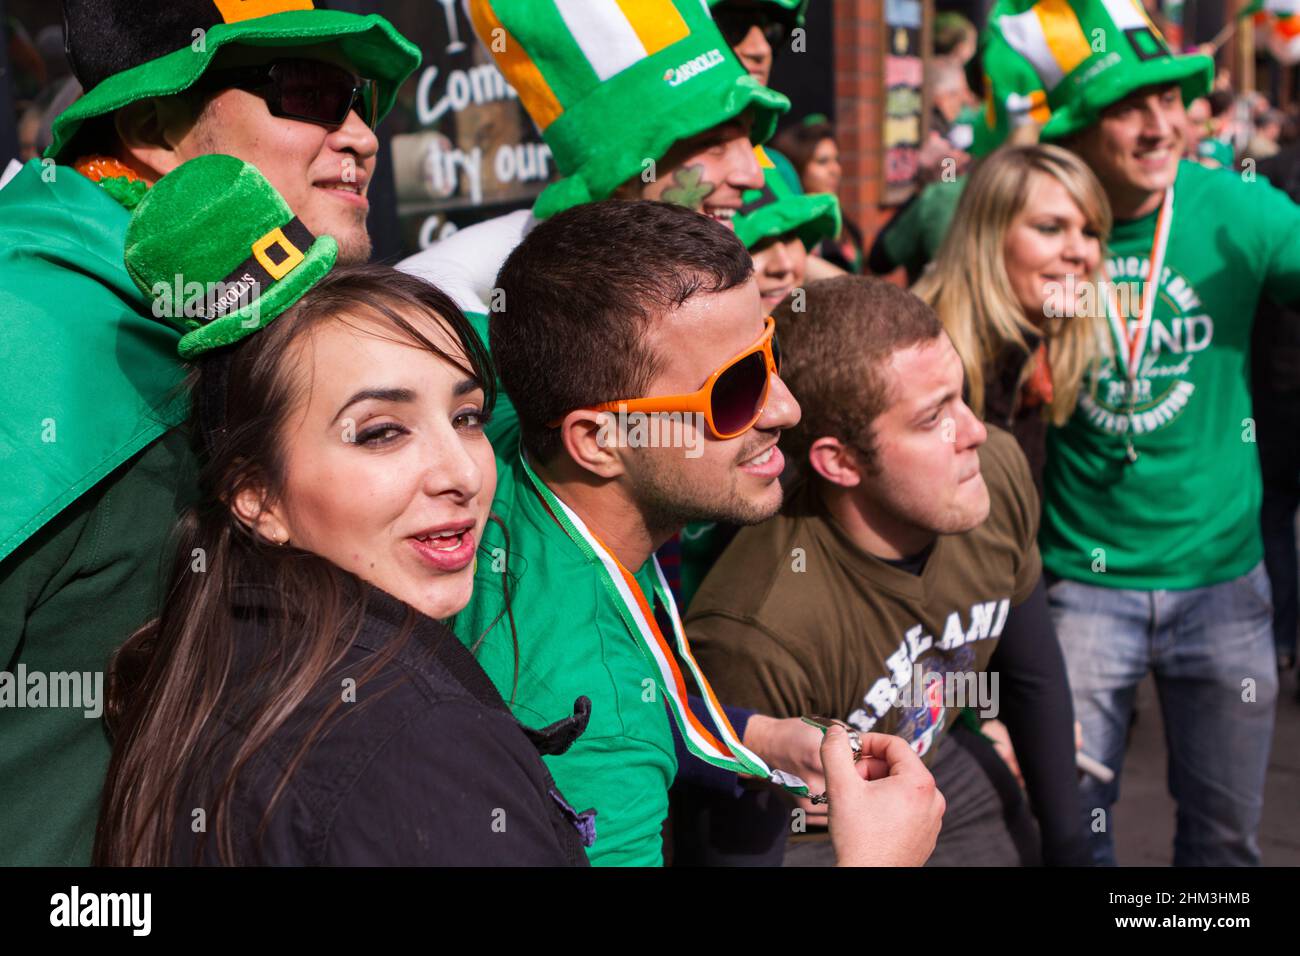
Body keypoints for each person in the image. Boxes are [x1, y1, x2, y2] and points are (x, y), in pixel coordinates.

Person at [0, 0, 419, 866]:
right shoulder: (23, 336)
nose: (363, 135)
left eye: (362, 99)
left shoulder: (252, 323)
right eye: (309, 91)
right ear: (153, 125)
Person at [92, 154, 592, 866]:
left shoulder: (222, 665)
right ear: (256, 497)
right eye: (382, 432)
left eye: (469, 417)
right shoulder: (414, 745)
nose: (460, 474)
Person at [456, 199, 946, 866]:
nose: (786, 407)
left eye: (768, 353)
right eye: (734, 389)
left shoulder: (495, 388)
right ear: (601, 441)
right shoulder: (600, 741)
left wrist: (760, 737)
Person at [982, 0, 1299, 865]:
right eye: (1129, 105)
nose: (1160, 124)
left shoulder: (1238, 208)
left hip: (1224, 582)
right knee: (1073, 833)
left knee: (1227, 840)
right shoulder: (1036, 217)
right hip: (1084, 588)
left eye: (1169, 98)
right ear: (1081, 127)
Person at [678, 276, 1086, 867]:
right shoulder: (759, 629)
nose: (973, 431)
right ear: (839, 462)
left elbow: (1032, 679)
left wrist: (1074, 850)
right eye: (932, 419)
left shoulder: (989, 471)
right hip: (813, 841)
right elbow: (737, 847)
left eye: (961, 395)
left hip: (936, 762)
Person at [400, 0, 787, 314]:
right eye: (715, 143)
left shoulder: (747, 271)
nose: (754, 177)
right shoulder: (520, 312)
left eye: (748, 139)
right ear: (618, 178)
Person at [913, 144, 1111, 494]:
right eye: (1050, 228)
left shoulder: (1040, 346)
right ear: (989, 236)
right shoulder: (923, 357)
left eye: (1091, 232)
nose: (1079, 252)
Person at [772, 116, 865, 273]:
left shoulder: (846, 224)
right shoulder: (788, 229)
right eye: (823, 161)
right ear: (797, 166)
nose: (835, 170)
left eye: (836, 160)